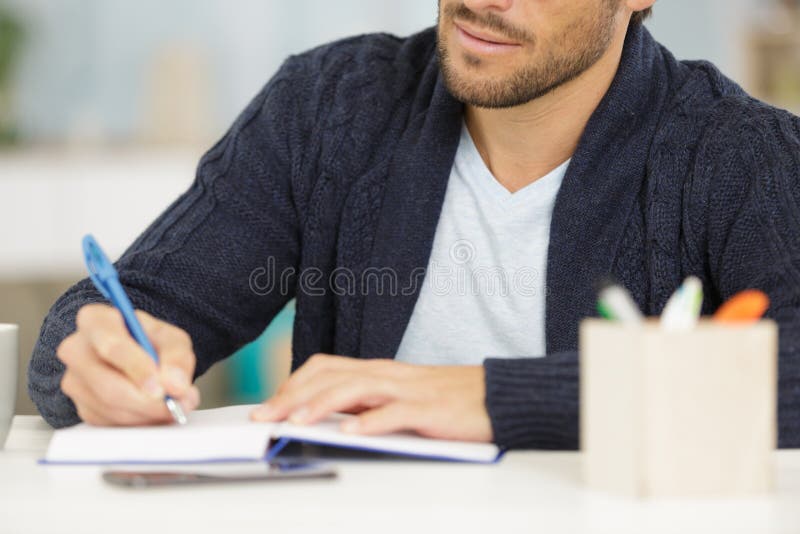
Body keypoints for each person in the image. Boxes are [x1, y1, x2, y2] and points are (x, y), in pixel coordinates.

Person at [28, 0, 800, 450]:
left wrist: (495, 398)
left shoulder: (738, 154)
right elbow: (118, 312)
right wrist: (103, 356)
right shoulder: (328, 105)